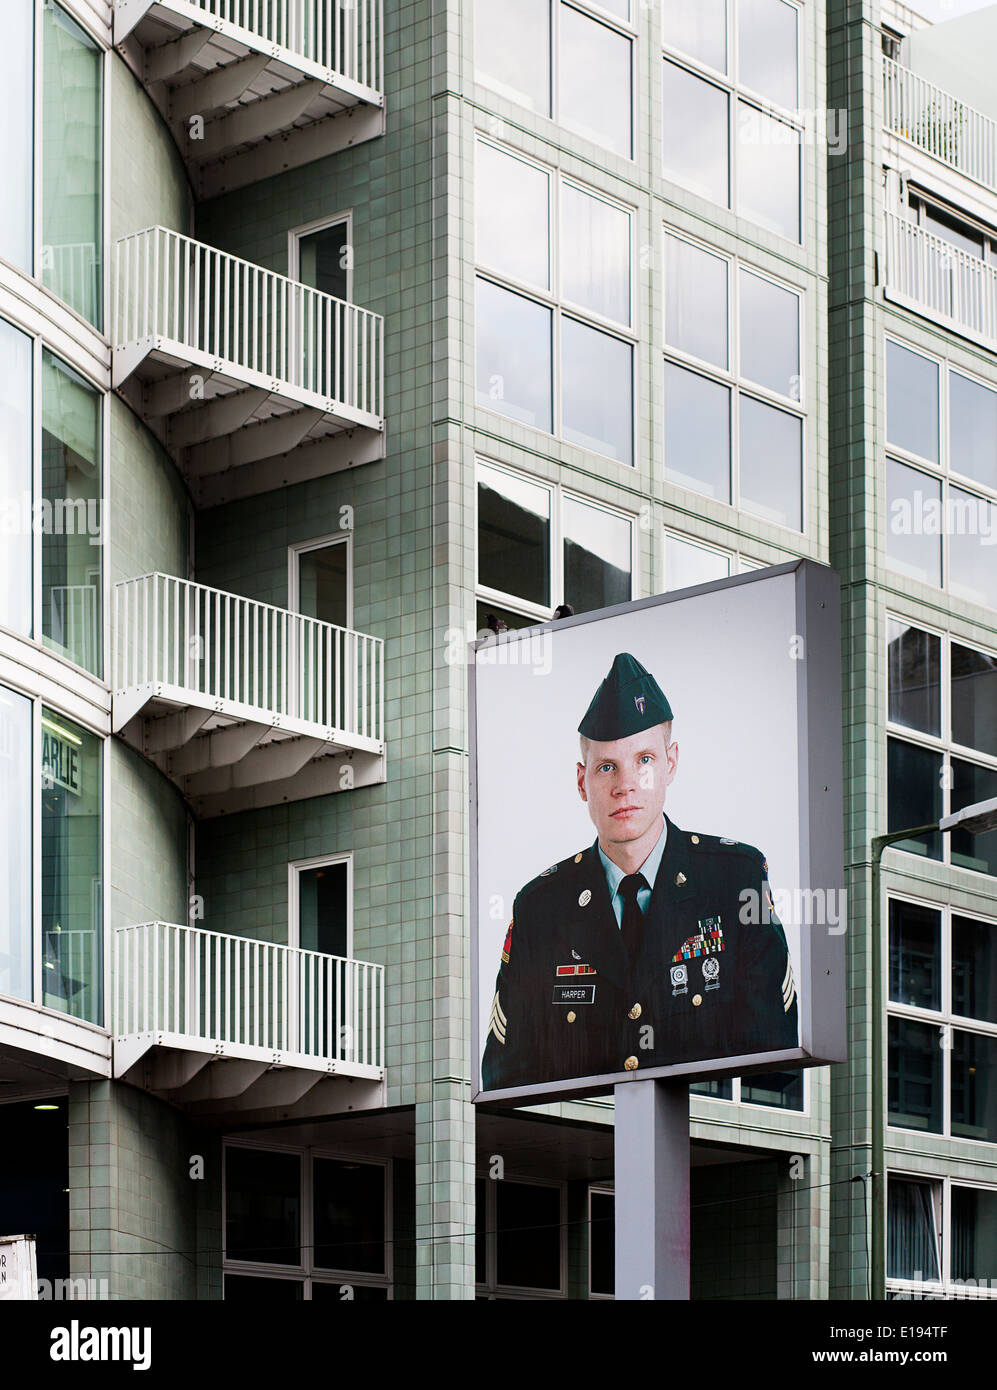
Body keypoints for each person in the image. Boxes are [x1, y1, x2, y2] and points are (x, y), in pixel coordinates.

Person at [481, 652, 799, 1092]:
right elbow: (505, 1078)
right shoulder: (541, 907)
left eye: (644, 760)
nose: (624, 785)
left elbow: (775, 1061)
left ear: (670, 763)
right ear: (581, 781)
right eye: (606, 767)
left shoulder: (734, 881)